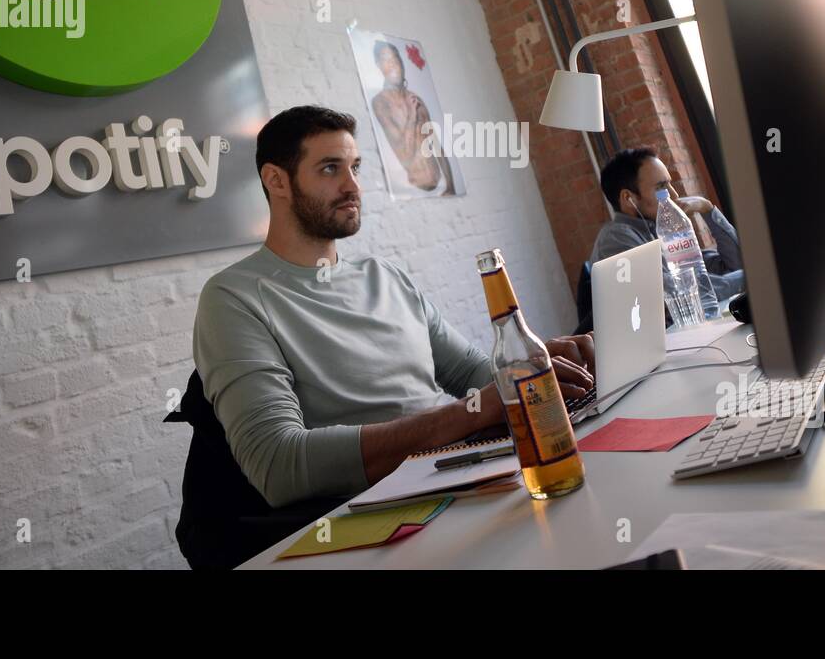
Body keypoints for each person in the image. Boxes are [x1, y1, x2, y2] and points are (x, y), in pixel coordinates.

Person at [173, 105, 593, 568]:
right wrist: (468, 415)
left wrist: (529, 366)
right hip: (376, 525)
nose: (353, 186)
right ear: (277, 181)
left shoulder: (384, 276)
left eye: (355, 167)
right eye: (330, 169)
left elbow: (472, 374)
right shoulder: (234, 297)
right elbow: (279, 464)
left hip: (458, 484)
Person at [591, 147, 745, 307]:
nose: (675, 195)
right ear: (628, 198)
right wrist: (750, 278)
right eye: (661, 187)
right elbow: (675, 294)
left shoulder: (658, 231)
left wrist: (706, 208)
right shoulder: (616, 239)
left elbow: (735, 265)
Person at [370, 40, 456, 195]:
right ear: (378, 65)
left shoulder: (417, 99)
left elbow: (436, 145)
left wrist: (450, 185)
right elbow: (405, 154)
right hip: (415, 192)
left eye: (396, 58)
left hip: (441, 188)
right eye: (386, 60)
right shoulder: (380, 103)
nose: (394, 64)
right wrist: (411, 115)